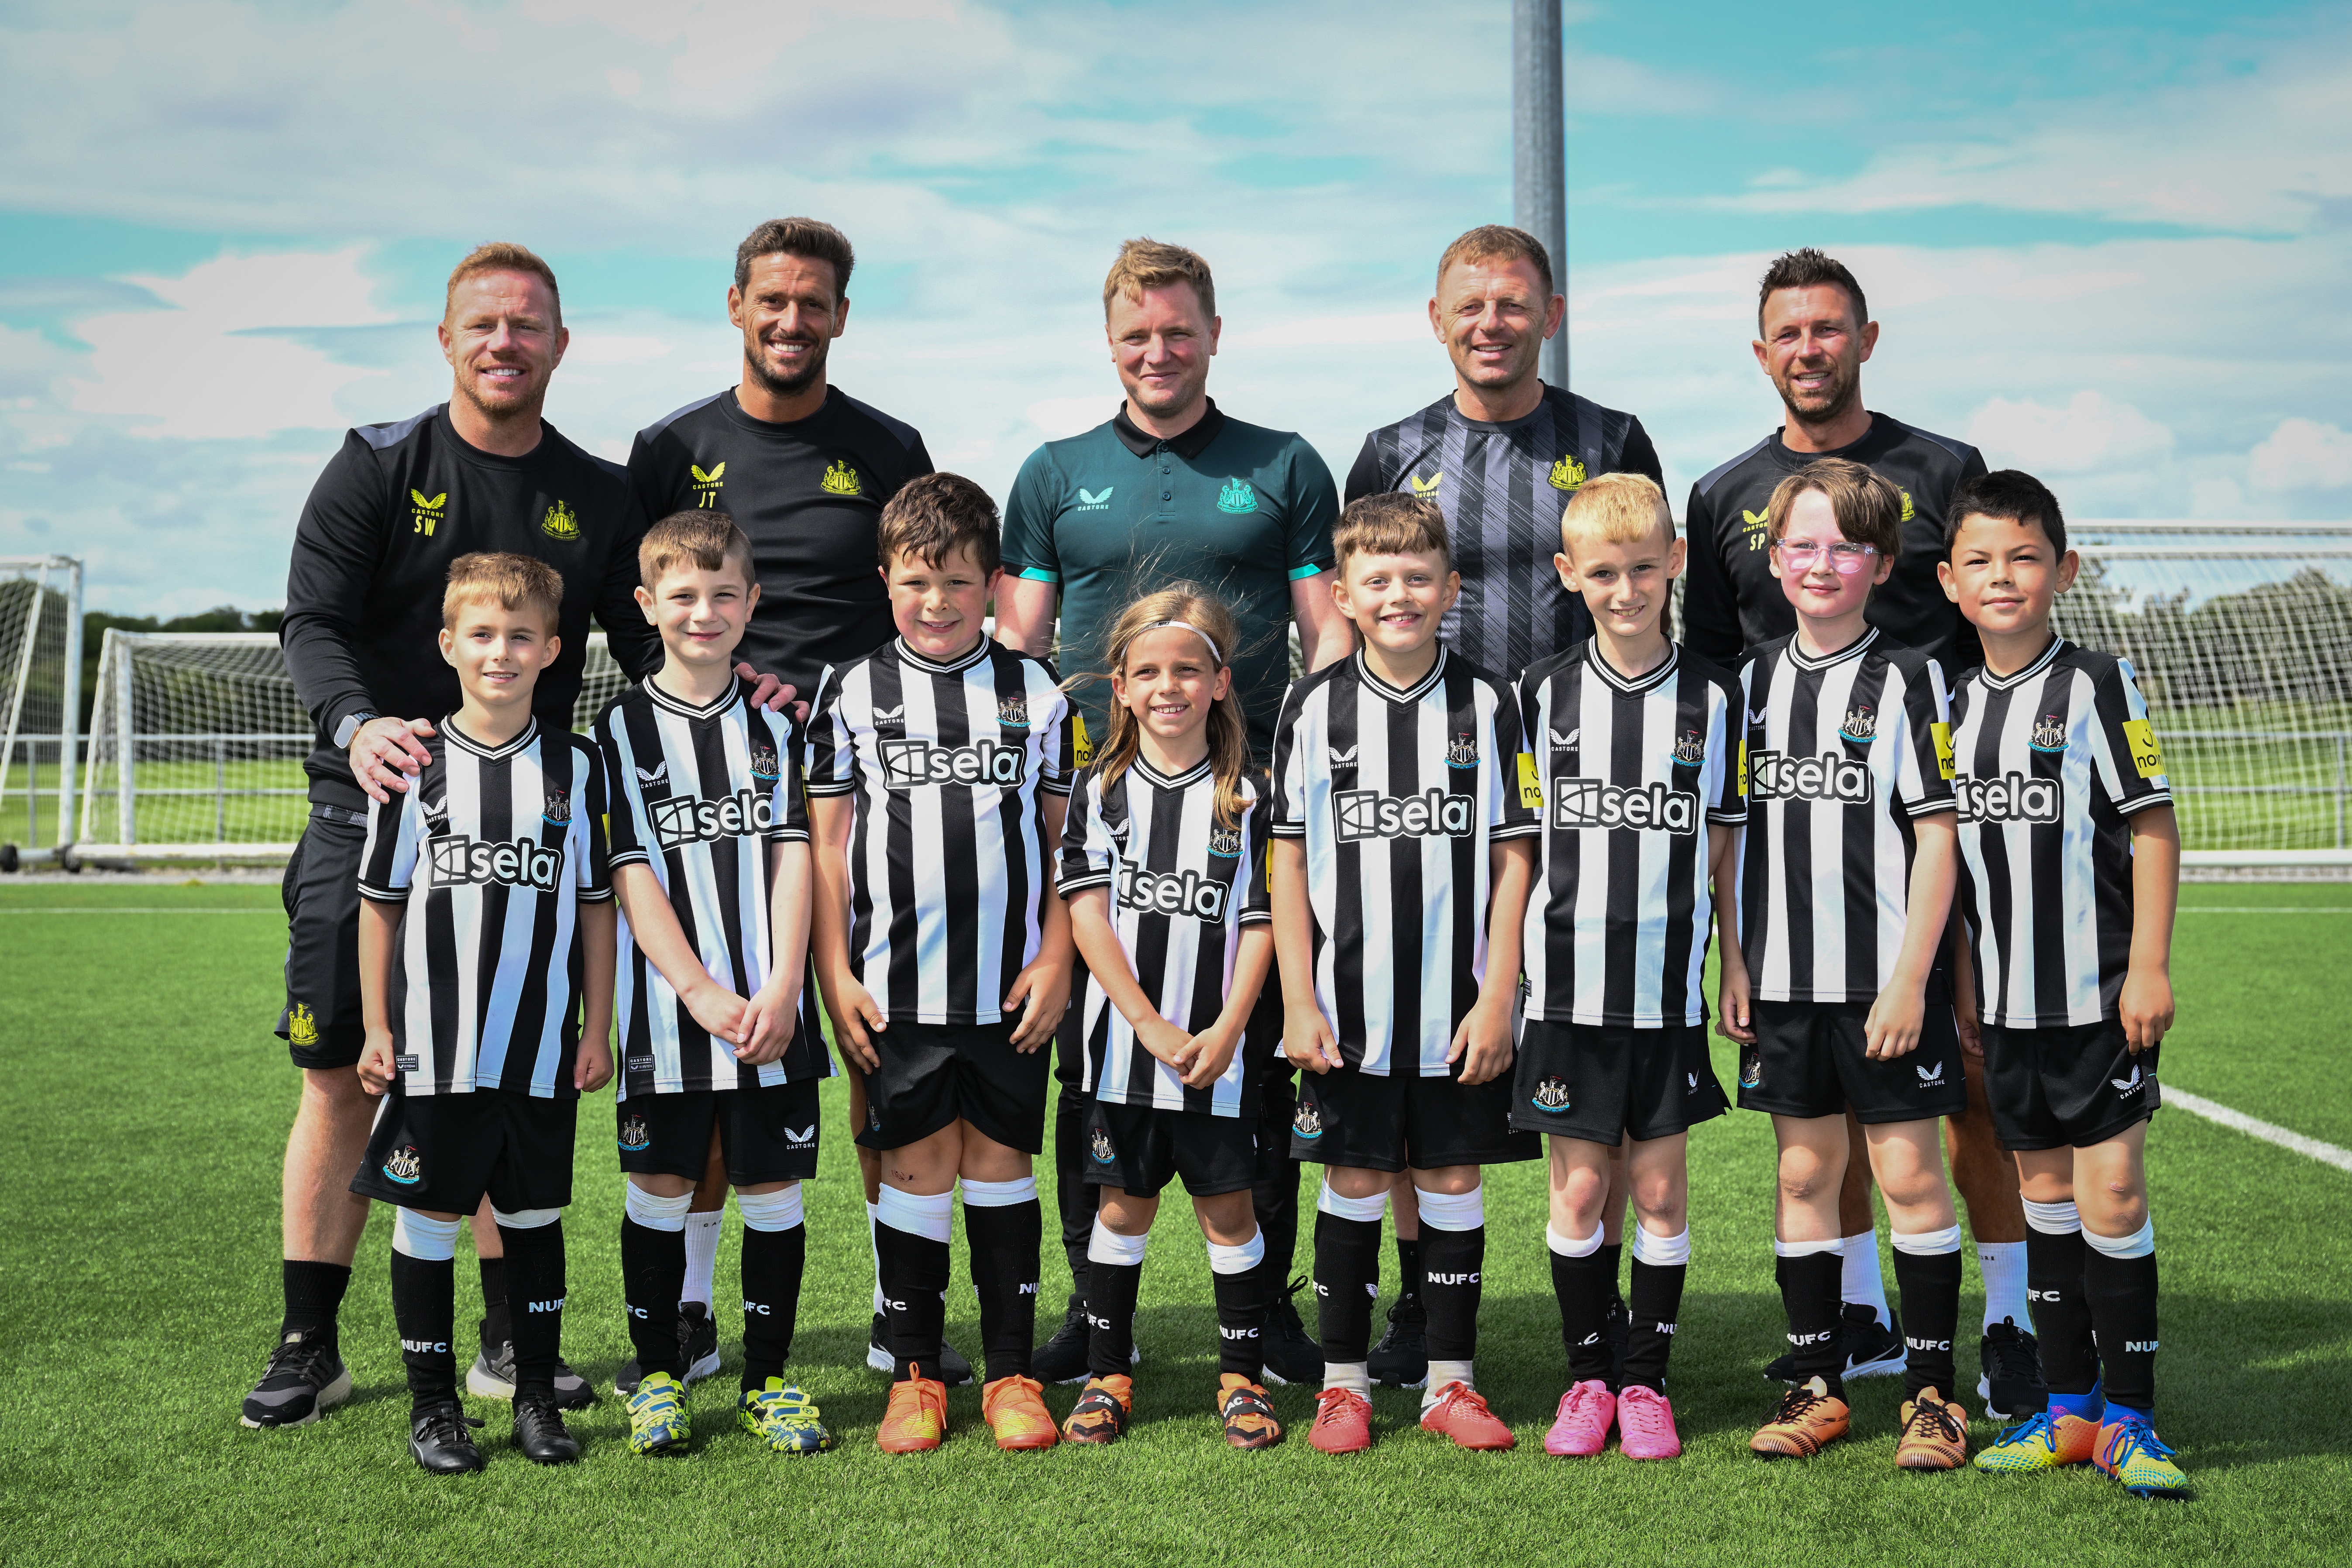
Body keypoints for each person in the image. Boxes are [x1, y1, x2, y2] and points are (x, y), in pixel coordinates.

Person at [256, 242, 669, 1429]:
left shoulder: (596, 492)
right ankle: (309, 1344)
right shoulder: (375, 464)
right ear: (446, 340)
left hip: (527, 833)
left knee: (501, 1069)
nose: (505, 342)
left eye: (527, 325)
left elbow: (646, 647)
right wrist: (357, 719)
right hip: (372, 815)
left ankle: (502, 1344)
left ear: (559, 345)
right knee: (342, 1077)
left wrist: (734, 702)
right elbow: (312, 619)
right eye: (483, 324)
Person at [1681, 249, 2034, 1402]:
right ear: (1760, 351)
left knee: (1972, 1076)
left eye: (1828, 329)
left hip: (1946, 821)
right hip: (1804, 841)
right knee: (1818, 1108)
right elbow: (1714, 673)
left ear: (1864, 340)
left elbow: (1986, 612)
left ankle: (2008, 1320)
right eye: (1787, 333)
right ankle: (1863, 1320)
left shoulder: (1942, 466)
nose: (1808, 349)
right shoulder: (1722, 492)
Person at [997, 237, 1348, 1389]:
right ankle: (1094, 1315)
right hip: (1100, 810)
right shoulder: (1053, 473)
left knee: (1253, 1067)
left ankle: (1270, 1317)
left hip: (1242, 807)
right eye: (1137, 334)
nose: (1159, 351)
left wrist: (1322, 768)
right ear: (1110, 343)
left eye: (1178, 330)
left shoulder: (1286, 464)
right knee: (1093, 1067)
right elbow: (1021, 649)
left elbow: (1325, 632)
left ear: (1212, 333)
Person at [626, 217, 954, 1389]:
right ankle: (695, 1317)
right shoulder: (669, 446)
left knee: (876, 1046)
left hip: (867, 795)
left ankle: (892, 1313)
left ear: (839, 316)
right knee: (721, 1053)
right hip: (720, 798)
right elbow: (644, 615)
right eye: (771, 300)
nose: (790, 321)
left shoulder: (885, 444)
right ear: (735, 306)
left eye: (812, 303)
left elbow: (915, 592)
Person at [1344, 221, 1664, 1389]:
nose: (1492, 322)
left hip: (1590, 787)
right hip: (1436, 793)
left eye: (1513, 303)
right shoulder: (1391, 448)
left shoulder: (1609, 438)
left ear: (1550, 313)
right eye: (1469, 305)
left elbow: (1642, 585)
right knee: (1428, 1041)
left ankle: (1619, 1310)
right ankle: (1422, 1315)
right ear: (1437, 320)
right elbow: (1358, 605)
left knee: (1611, 1045)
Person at [806, 473, 1076, 1453]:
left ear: (994, 583)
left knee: (1003, 1167)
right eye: (919, 579)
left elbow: (1065, 847)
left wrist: (1056, 956)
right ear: (887, 579)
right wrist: (834, 974)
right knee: (917, 1170)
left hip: (1010, 987)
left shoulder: (1034, 691)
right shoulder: (848, 690)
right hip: (894, 987)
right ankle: (917, 1370)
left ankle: (1010, 1373)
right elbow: (828, 851)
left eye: (959, 581)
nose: (938, 600)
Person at [1271, 492, 1541, 1456]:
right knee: (1352, 1176)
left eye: (1419, 577)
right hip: (1347, 1010)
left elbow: (1516, 853)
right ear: (1342, 593)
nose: (1400, 594)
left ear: (1452, 589)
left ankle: (1448, 1383)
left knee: (1452, 1176)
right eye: (1377, 580)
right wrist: (1298, 997)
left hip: (1454, 1009)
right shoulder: (1313, 703)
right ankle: (1343, 1388)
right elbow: (1290, 857)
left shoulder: (1491, 700)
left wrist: (1499, 993)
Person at [1941, 472, 2188, 1498]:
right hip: (2005, 1006)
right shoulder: (1952, 708)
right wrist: (1964, 989)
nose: (2005, 577)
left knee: (2113, 1192)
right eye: (1983, 561)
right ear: (1952, 582)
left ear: (2064, 570)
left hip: (2099, 1000)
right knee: (2042, 1199)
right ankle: (2071, 1406)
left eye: (2026, 557)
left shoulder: (2098, 683)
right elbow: (1948, 867)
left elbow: (2154, 824)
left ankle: (2134, 1416)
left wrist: (2150, 964)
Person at [1723, 459, 1973, 1470]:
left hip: (1882, 990)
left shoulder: (1913, 679)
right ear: (1775, 560)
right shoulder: (1745, 685)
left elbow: (1941, 838)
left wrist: (1913, 979)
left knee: (1909, 1173)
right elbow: (1729, 838)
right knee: (1802, 1171)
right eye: (1804, 546)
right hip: (1782, 984)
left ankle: (1931, 1395)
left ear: (1881, 563)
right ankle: (1816, 1383)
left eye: (1845, 548)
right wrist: (1734, 960)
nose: (1822, 564)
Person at [348, 553, 615, 1474]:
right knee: (425, 1224)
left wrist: (598, 1025)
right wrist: (379, 1029)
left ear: (552, 649)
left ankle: (535, 1398)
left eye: (519, 636)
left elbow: (593, 904)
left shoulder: (579, 766)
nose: (500, 652)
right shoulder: (415, 765)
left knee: (534, 1223)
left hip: (540, 1051)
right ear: (448, 644)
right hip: (433, 1053)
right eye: (482, 635)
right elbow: (381, 902)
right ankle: (434, 1410)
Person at [593, 511, 834, 1458]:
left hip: (773, 1013)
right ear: (648, 606)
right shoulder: (615, 730)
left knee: (774, 1190)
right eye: (683, 596)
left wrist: (781, 986)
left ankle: (769, 1377)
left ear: (752, 605)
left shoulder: (776, 727)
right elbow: (630, 873)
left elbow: (791, 861)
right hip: (668, 1015)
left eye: (723, 594)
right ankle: (657, 1374)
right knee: (659, 1186)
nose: (705, 611)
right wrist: (695, 988)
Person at [1512, 473, 1740, 1464]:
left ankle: (1645, 1380)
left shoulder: (1713, 696)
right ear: (1569, 575)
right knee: (1576, 1196)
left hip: (1665, 999)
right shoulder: (1538, 692)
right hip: (1563, 996)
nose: (1627, 588)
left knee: (1657, 1192)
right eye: (1603, 571)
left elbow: (1726, 846)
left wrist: (1734, 965)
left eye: (1645, 567)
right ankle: (1587, 1376)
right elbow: (1515, 851)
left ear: (1676, 563)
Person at [1053, 589, 1284, 1451]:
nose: (1169, 686)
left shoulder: (1249, 796)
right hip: (1124, 1053)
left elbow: (1262, 921)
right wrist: (1146, 1020)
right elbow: (1086, 914)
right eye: (1148, 671)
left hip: (1219, 1053)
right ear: (1119, 686)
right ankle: (1108, 1371)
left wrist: (1227, 1028)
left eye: (1188, 669)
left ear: (1221, 682)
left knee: (1229, 1212)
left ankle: (1242, 1376)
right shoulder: (1100, 791)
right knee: (1123, 1210)